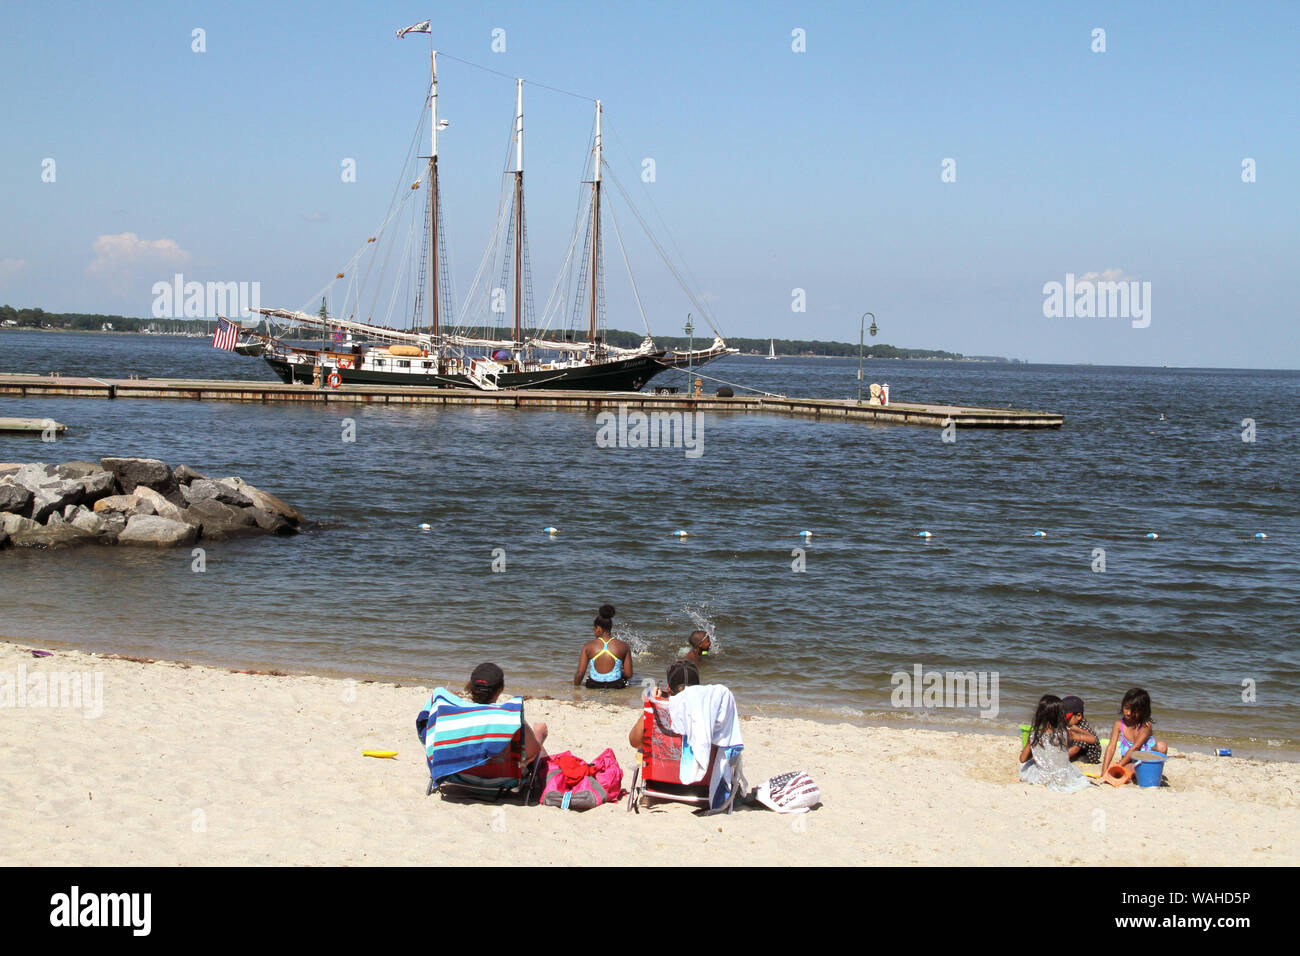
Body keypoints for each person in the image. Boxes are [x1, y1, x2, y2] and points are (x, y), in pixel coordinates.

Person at [460, 662, 549, 763]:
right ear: (501, 689)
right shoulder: (511, 719)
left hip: (459, 777)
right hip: (502, 777)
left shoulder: (456, 717)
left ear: (470, 687)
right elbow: (531, 753)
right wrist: (539, 735)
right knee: (538, 743)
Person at [1018, 694, 1090, 793]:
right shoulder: (1065, 733)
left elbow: (1022, 759)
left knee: (1028, 765)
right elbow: (1091, 739)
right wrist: (1078, 729)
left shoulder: (1034, 736)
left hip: (1042, 776)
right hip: (1062, 776)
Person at [628, 659, 699, 749]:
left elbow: (635, 742)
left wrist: (651, 704)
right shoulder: (706, 713)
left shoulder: (660, 714)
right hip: (694, 761)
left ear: (668, 688)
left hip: (663, 761)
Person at [1099, 687, 1167, 775]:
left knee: (1162, 746)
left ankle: (1154, 772)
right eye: (1126, 708)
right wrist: (1104, 770)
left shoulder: (1145, 725)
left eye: (1134, 710)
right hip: (1129, 761)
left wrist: (1118, 766)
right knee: (1132, 769)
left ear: (1143, 711)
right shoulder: (1119, 724)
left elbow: (1136, 747)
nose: (1128, 713)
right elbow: (1111, 747)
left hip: (1147, 759)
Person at [573, 603, 632, 689]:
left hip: (594, 685)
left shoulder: (588, 646)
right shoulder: (623, 646)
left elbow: (580, 674)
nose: (594, 632)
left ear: (599, 629)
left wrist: (575, 686)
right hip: (615, 685)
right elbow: (629, 674)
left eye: (594, 629)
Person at [1061, 694, 1102, 764]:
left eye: (1066, 719)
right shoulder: (1073, 724)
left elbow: (1075, 749)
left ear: (1079, 716)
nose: (1064, 721)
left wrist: (1059, 759)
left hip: (1088, 756)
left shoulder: (1083, 729)